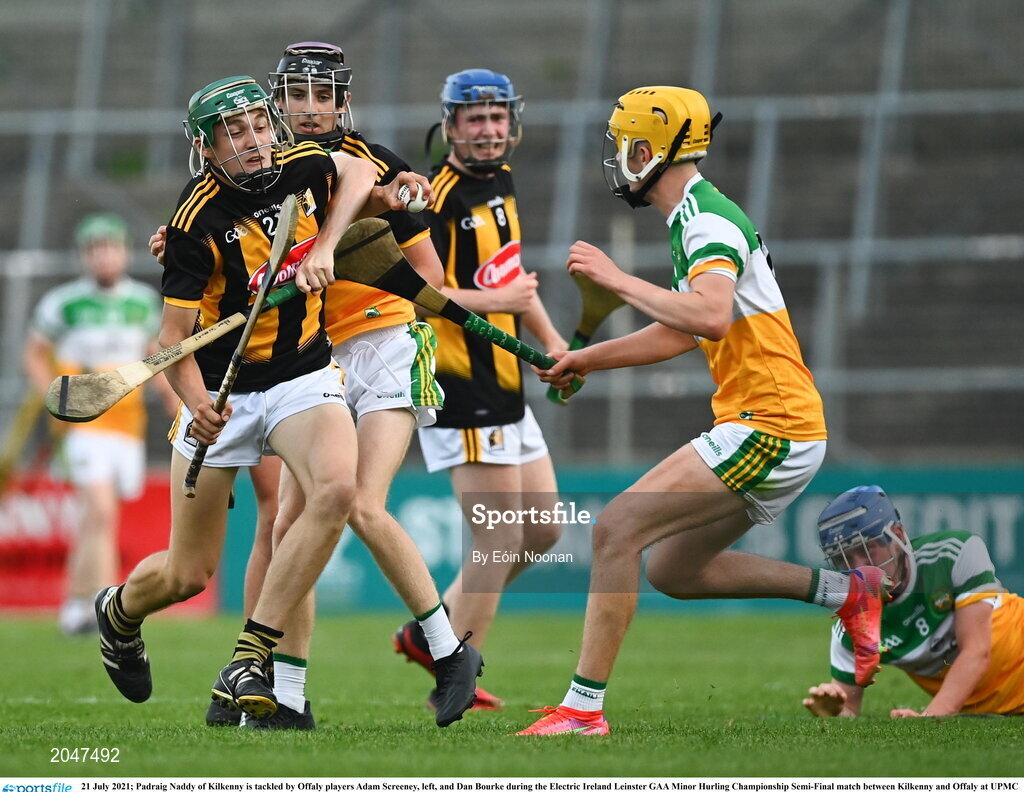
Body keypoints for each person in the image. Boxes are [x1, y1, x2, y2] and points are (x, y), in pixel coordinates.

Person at [95, 75, 481, 729]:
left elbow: (356, 176)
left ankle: (253, 657)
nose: (252, 143)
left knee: (335, 492)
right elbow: (172, 343)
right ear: (206, 148)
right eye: (234, 133)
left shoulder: (298, 163)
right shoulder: (194, 223)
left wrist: (327, 245)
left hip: (301, 375)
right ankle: (119, 613)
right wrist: (198, 403)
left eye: (257, 126)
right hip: (222, 392)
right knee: (187, 574)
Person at [524, 86, 887, 736]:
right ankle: (848, 594)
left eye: (621, 147)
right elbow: (682, 330)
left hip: (771, 424)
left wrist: (617, 279)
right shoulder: (692, 218)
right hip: (777, 425)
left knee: (613, 530)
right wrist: (589, 359)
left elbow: (712, 317)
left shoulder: (706, 222)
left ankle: (582, 709)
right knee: (673, 569)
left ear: (648, 151)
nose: (617, 160)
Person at [393, 68, 567, 711]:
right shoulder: (433, 198)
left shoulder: (501, 181)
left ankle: (427, 633)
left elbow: (514, 275)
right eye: (476, 118)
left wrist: (551, 344)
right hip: (463, 383)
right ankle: (457, 666)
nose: (490, 129)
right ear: (451, 126)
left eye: (497, 116)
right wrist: (501, 300)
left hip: (508, 378)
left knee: (543, 531)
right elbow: (420, 297)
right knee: (497, 535)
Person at [23, 214, 175, 636]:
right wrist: (55, 401)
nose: (104, 256)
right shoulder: (63, 302)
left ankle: (74, 605)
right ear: (84, 256)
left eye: (111, 246)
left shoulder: (142, 301)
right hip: (82, 425)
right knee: (102, 510)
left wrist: (173, 400)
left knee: (98, 517)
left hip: (127, 424)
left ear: (124, 250)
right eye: (95, 249)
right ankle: (105, 604)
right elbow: (34, 354)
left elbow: (154, 359)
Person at [803, 485, 1024, 718]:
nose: (859, 567)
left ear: (897, 534)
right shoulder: (850, 624)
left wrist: (930, 717)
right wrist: (833, 711)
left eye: (868, 548)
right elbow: (848, 708)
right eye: (843, 558)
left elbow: (977, 651)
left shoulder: (953, 553)